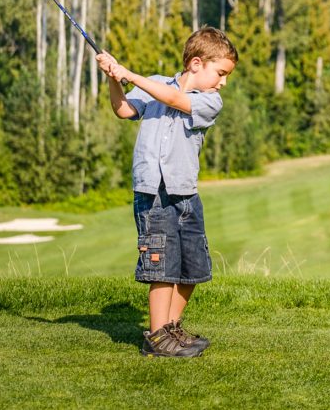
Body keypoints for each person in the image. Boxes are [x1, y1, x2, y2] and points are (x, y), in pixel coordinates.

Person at [97, 26, 238, 358]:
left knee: (192, 269)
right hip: (153, 194)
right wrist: (114, 78)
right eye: (220, 73)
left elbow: (174, 99)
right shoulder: (157, 83)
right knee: (161, 267)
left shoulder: (210, 101)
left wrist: (130, 73)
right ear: (196, 64)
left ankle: (171, 329)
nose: (223, 82)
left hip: (185, 194)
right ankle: (158, 338)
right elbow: (124, 110)